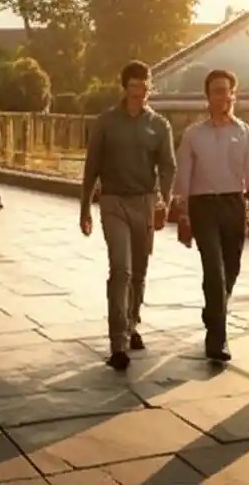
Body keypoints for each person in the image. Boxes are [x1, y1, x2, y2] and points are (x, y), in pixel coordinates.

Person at [80, 61, 177, 371]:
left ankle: (133, 322)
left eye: (146, 85)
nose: (141, 91)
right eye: (135, 85)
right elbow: (91, 166)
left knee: (139, 271)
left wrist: (165, 202)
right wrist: (84, 208)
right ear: (125, 87)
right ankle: (118, 342)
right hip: (113, 202)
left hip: (145, 201)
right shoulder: (106, 122)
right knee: (120, 269)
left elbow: (168, 167)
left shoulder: (159, 125)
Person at [173, 69, 249, 363]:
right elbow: (183, 174)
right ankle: (217, 338)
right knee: (213, 269)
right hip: (203, 207)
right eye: (217, 91)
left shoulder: (245, 133)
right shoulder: (193, 134)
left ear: (233, 95)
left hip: (233, 205)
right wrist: (183, 213)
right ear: (208, 96)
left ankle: (214, 310)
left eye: (227, 90)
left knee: (231, 268)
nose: (223, 96)